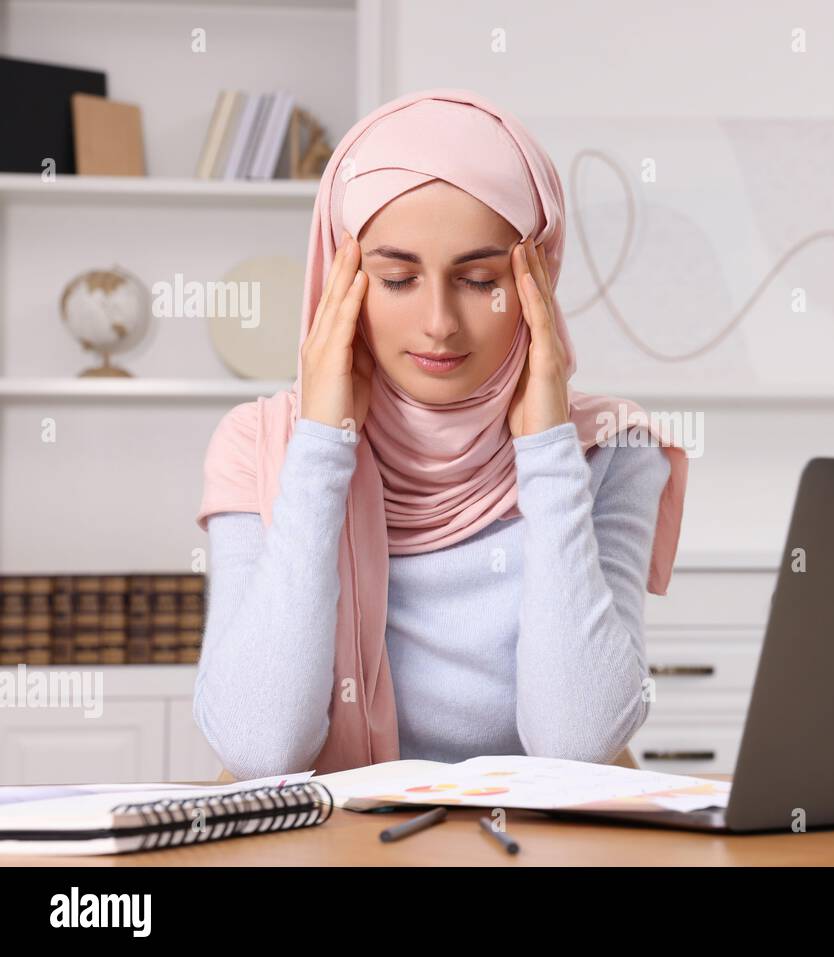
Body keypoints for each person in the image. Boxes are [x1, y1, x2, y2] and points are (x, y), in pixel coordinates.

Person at [193, 90, 688, 778]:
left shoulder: (612, 450)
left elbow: (575, 740)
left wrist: (547, 451)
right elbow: (259, 743)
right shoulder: (261, 444)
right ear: (343, 279)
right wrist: (321, 444)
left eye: (479, 279)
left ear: (535, 278)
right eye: (397, 278)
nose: (438, 322)